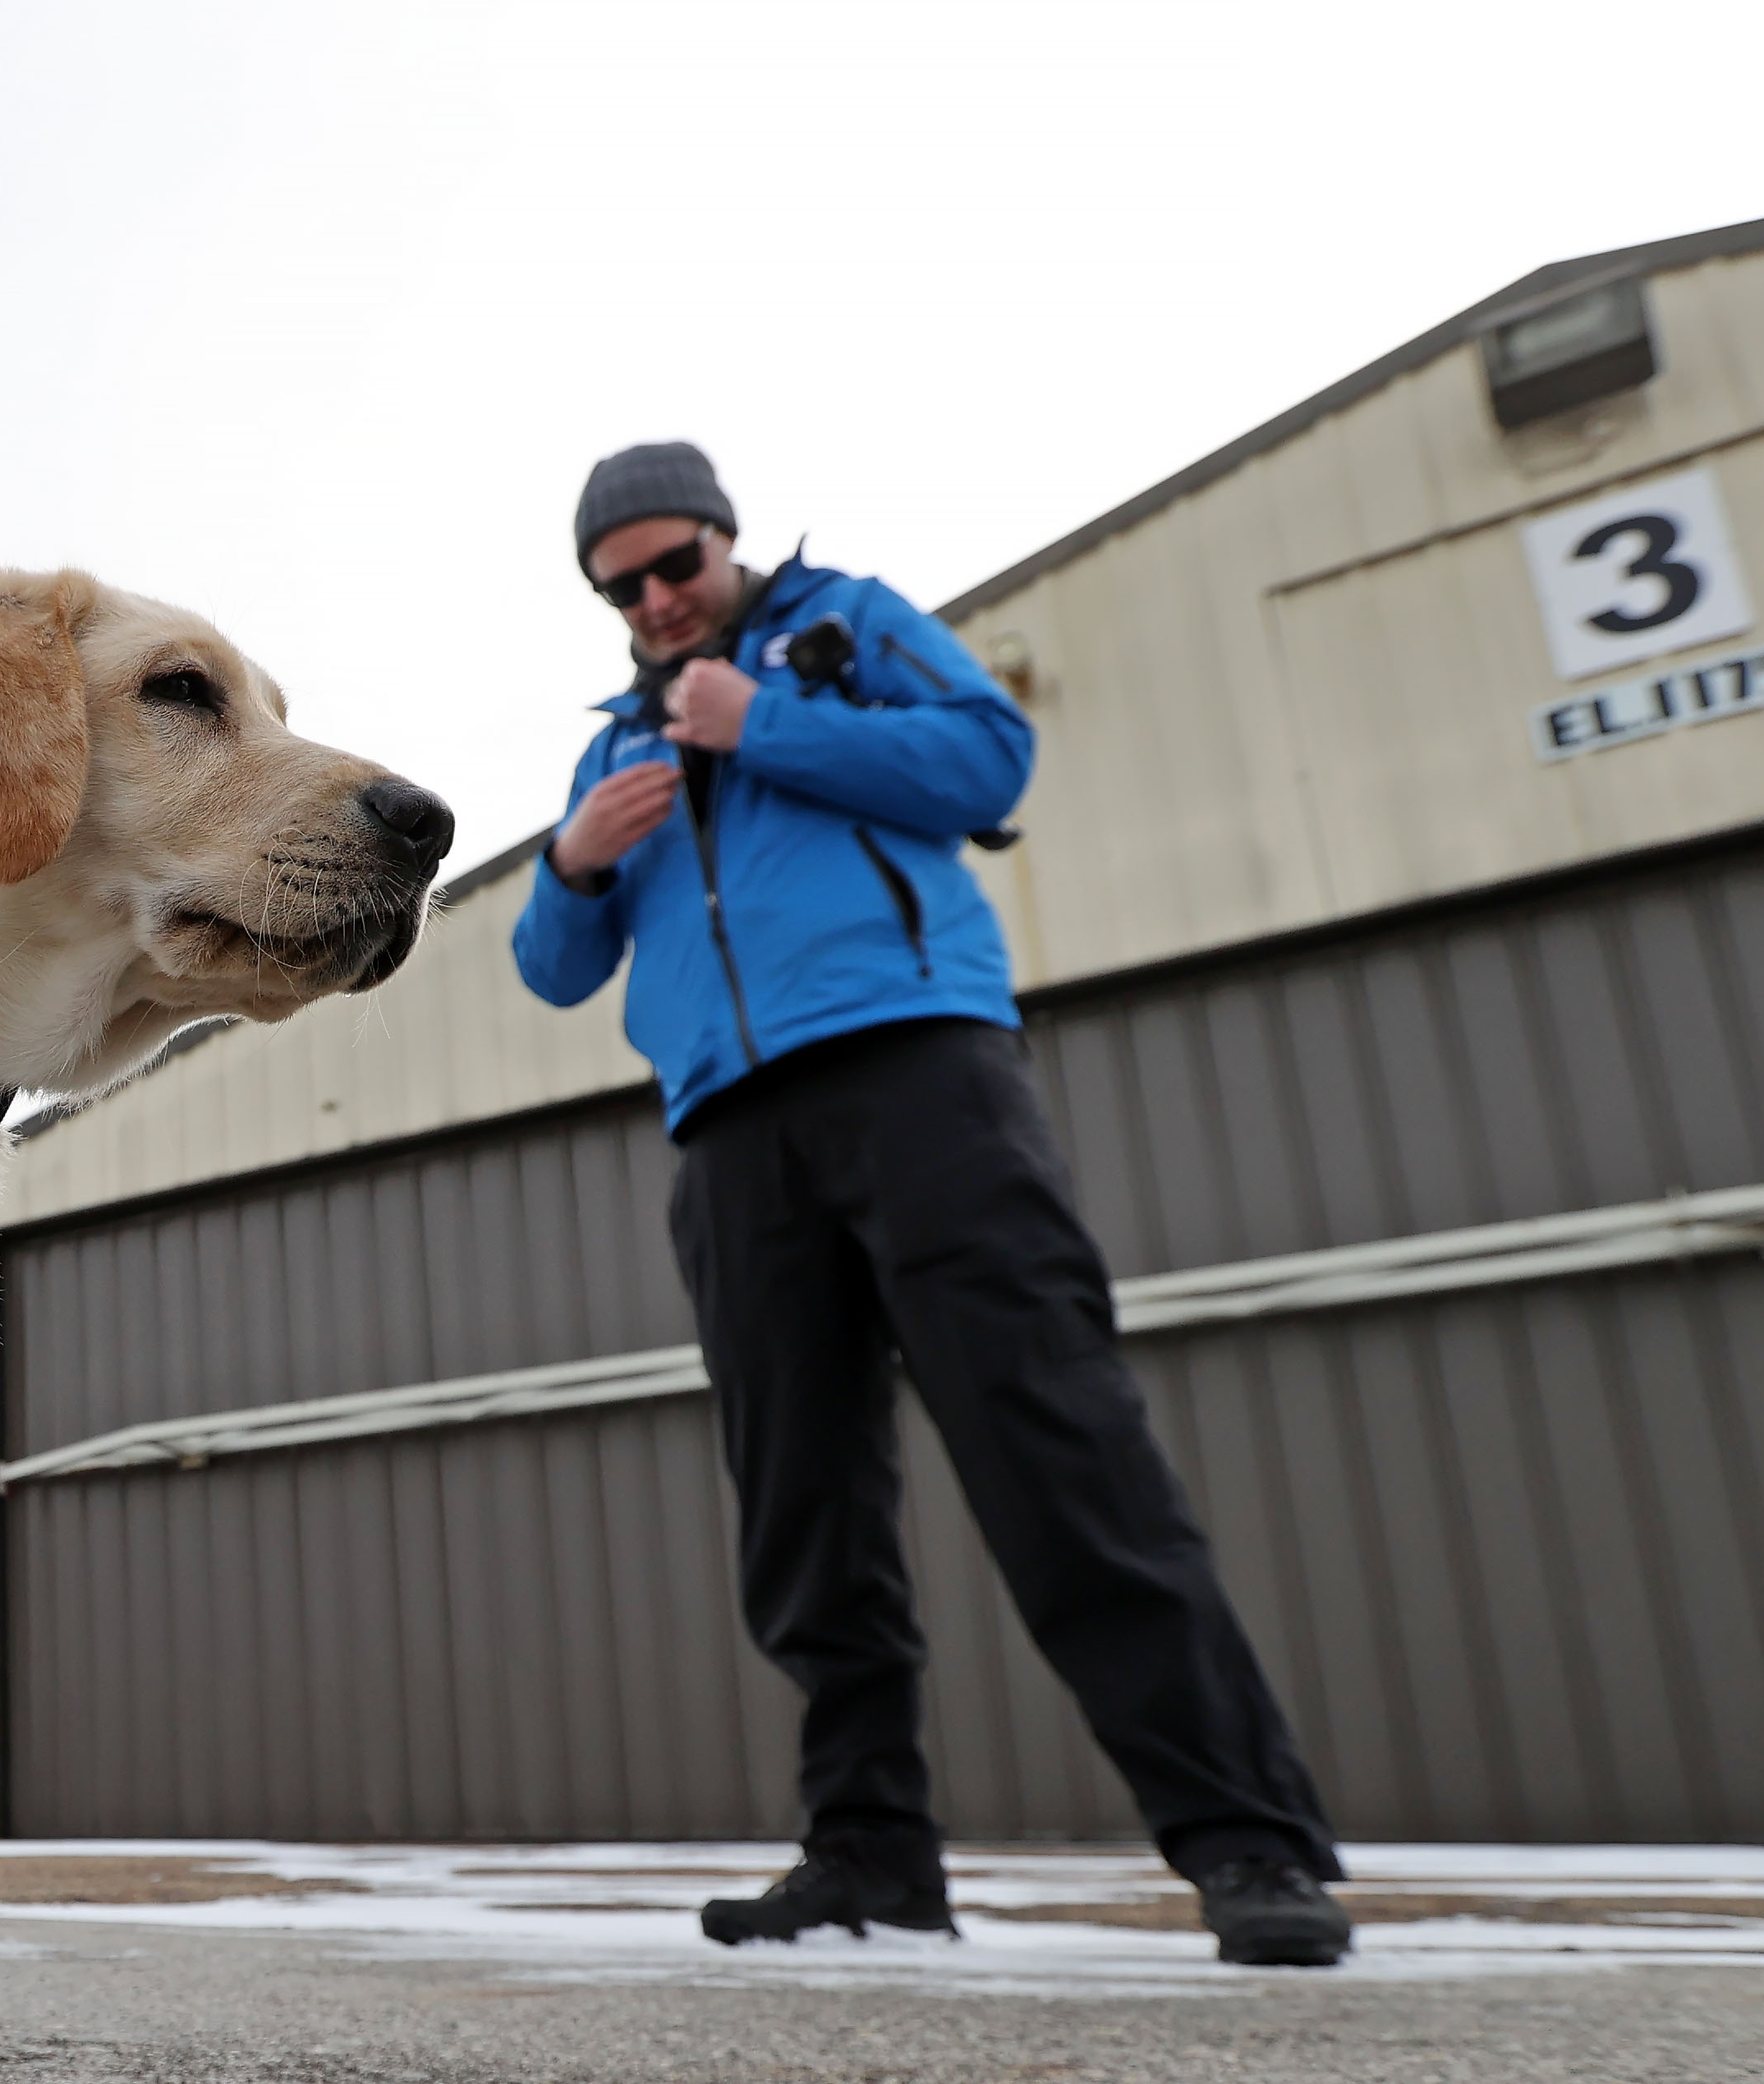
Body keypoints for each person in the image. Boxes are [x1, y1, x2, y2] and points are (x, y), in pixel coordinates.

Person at [512, 443, 1356, 1968]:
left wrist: (764, 722)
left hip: (918, 1079)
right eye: (620, 585)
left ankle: (1251, 1846)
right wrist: (574, 862)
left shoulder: (847, 627)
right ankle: (869, 1857)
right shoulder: (615, 748)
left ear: (725, 538)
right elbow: (551, 967)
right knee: (804, 1516)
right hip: (729, 1140)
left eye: (674, 564)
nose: (652, 599)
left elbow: (985, 765)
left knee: (1060, 1446)